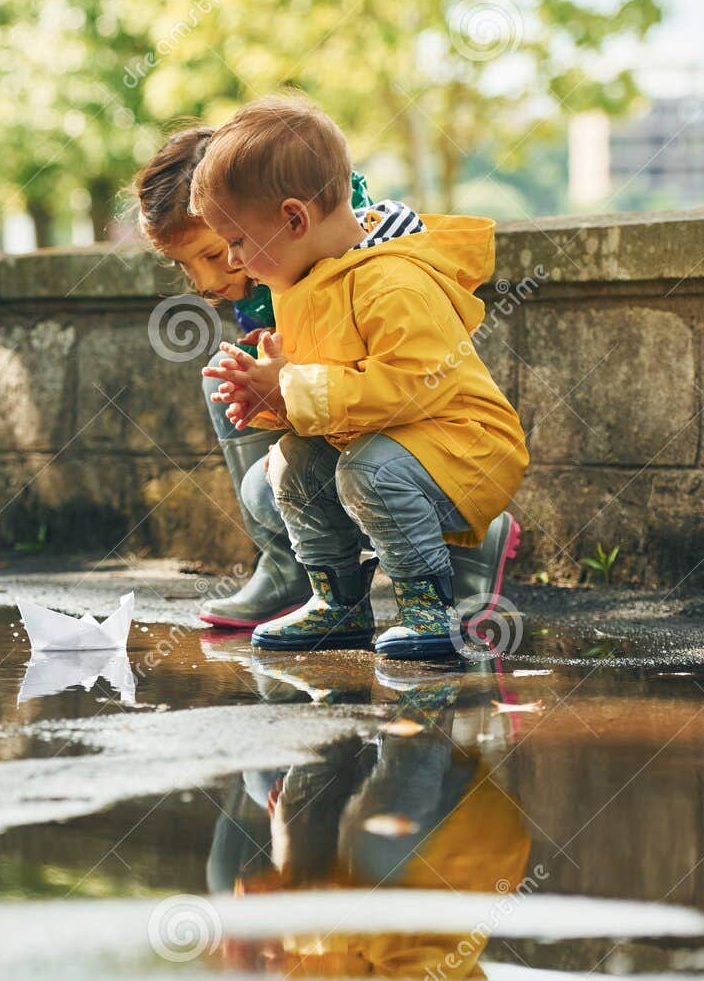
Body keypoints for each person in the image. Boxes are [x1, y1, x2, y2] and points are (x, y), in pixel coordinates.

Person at [194, 94, 527, 659]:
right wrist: (268, 395)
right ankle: (339, 603)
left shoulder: (393, 280)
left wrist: (291, 386)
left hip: (465, 453)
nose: (231, 261)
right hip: (397, 446)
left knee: (368, 471)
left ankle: (428, 610)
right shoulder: (306, 285)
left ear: (295, 218)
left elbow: (409, 384)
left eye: (238, 242)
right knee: (294, 461)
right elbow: (330, 394)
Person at [132, 129, 372, 629]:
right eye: (185, 266)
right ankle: (288, 562)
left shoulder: (346, 247)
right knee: (227, 376)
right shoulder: (258, 274)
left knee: (268, 481)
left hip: (385, 433)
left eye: (216, 253)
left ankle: (450, 556)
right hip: (326, 427)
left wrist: (284, 374)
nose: (204, 283)